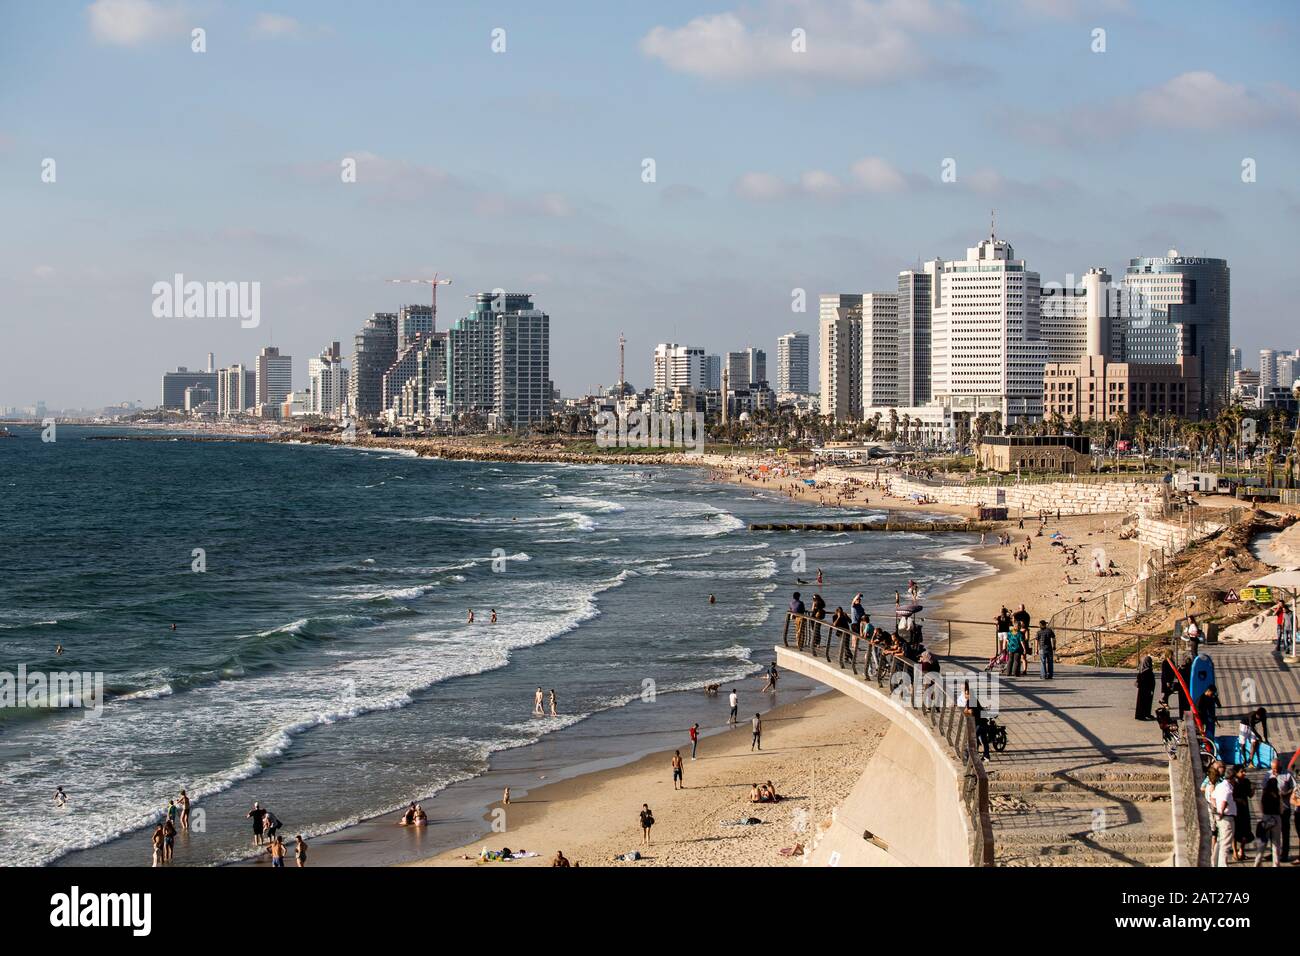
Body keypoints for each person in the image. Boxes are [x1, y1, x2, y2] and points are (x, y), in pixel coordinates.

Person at [1211, 766, 1236, 867]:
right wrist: (1220, 812)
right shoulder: (1228, 789)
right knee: (1225, 845)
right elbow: (1224, 801)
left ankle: (1214, 862)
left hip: (1221, 818)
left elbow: (1212, 797)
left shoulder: (1220, 786)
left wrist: (1216, 808)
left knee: (1220, 841)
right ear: (1232, 778)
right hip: (1226, 818)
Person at [1256, 777, 1283, 867]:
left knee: (1263, 841)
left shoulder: (1264, 795)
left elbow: (1261, 808)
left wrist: (1264, 816)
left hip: (1266, 818)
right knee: (1276, 843)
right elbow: (1281, 809)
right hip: (1276, 818)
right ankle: (1276, 864)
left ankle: (1258, 859)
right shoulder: (1278, 795)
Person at [963, 681, 990, 760]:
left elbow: (970, 711)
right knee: (984, 740)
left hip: (980, 724)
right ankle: (986, 755)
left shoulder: (971, 700)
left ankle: (969, 755)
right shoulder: (973, 699)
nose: (965, 695)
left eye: (966, 693)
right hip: (982, 722)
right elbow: (967, 710)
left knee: (972, 738)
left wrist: (967, 711)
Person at [1233, 765, 1254, 862]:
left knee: (1245, 831)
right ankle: (1234, 852)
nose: (1244, 773)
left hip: (1244, 809)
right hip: (1235, 809)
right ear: (1236, 772)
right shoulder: (1232, 782)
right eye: (1242, 771)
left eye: (1244, 771)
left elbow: (1250, 795)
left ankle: (1242, 850)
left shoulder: (1246, 782)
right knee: (1235, 831)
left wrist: (1253, 789)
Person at [1134, 656, 1155, 720]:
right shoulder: (1147, 671)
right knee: (1144, 702)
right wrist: (1151, 689)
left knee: (1145, 702)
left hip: (1143, 690)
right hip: (1146, 690)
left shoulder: (1142, 670)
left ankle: (1146, 714)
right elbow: (1149, 681)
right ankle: (1142, 715)